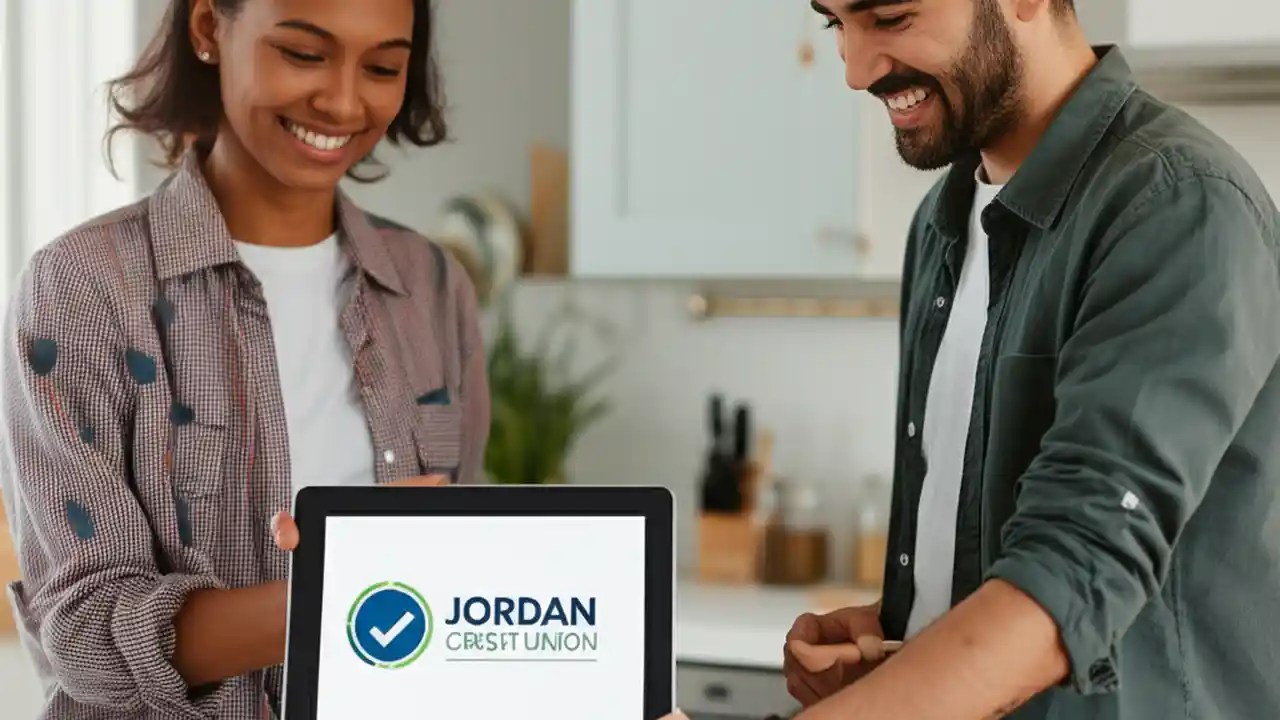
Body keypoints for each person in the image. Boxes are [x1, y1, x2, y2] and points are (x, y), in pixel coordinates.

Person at [674, 1, 1277, 719]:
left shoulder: (1175, 204)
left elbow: (1069, 578)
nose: (857, 70)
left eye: (890, 18)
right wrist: (910, 641)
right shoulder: (941, 225)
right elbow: (997, 563)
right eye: (838, 25)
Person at [0, 0, 489, 717]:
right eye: (303, 54)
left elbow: (453, 579)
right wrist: (343, 586)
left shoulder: (432, 286)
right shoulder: (83, 287)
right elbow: (86, 634)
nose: (344, 100)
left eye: (383, 66)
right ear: (208, 29)